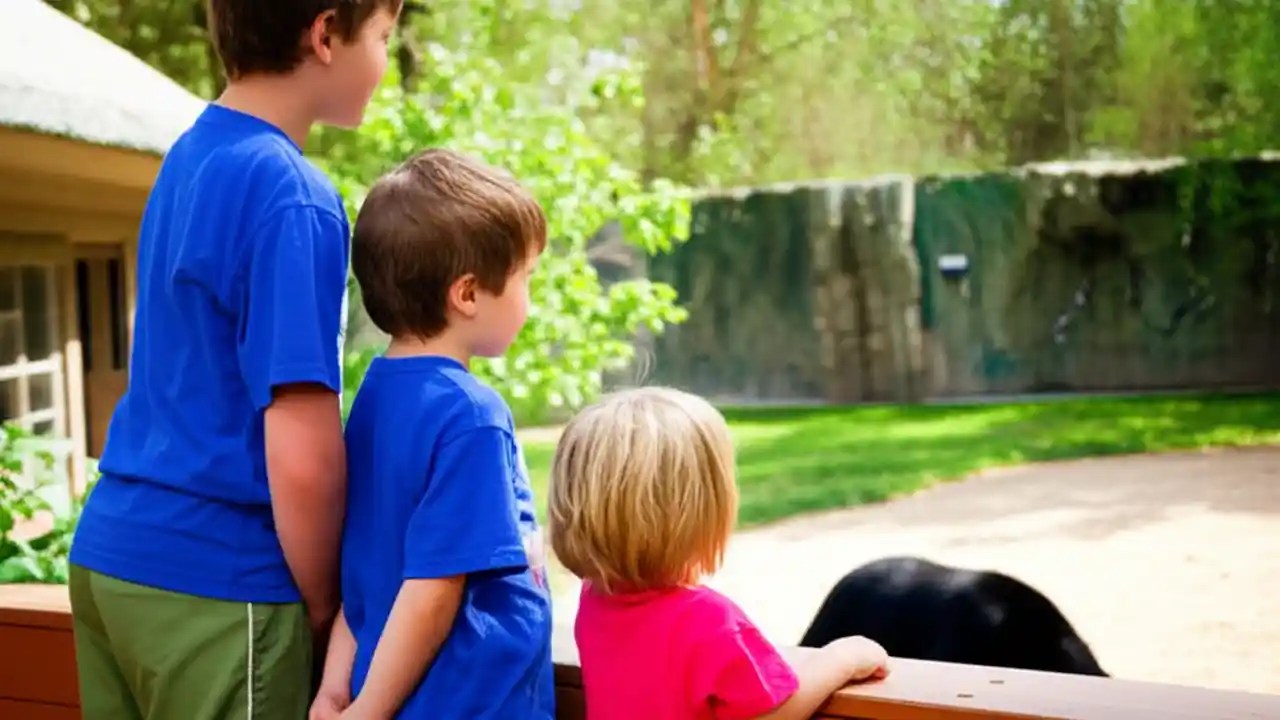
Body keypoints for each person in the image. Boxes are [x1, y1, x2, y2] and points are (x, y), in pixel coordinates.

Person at [66, 1, 400, 717]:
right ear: (324, 33)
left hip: (111, 561)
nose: (384, 62)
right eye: (381, 37)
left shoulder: (191, 156)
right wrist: (321, 608)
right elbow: (302, 451)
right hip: (217, 586)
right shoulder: (295, 196)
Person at [308, 148, 554, 720]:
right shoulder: (472, 415)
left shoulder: (375, 398)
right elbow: (432, 590)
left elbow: (366, 575)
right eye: (526, 278)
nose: (529, 299)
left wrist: (335, 690)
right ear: (467, 294)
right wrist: (365, 710)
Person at [548, 386, 890, 719]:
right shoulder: (708, 621)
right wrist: (839, 660)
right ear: (704, 510)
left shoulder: (597, 599)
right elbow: (770, 714)